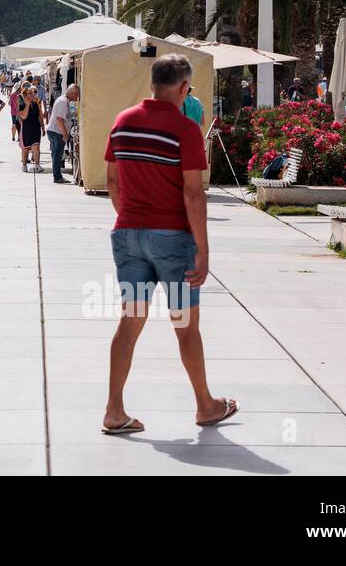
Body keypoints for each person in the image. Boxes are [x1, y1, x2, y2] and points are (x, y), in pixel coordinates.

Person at [102, 54, 237, 435]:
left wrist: (132, 215)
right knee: (185, 326)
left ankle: (114, 410)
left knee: (129, 322)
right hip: (172, 239)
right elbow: (194, 194)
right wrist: (203, 250)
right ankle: (206, 406)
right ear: (182, 88)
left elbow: (112, 181)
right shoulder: (185, 129)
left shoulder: (123, 121)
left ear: (152, 84)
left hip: (127, 234)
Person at [48, 84, 78, 184]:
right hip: (57, 132)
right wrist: (65, 134)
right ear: (72, 93)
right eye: (76, 95)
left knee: (56, 155)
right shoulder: (63, 102)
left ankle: (57, 176)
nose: (77, 98)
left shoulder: (64, 100)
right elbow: (59, 119)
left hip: (55, 131)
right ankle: (57, 177)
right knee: (57, 155)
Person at [17, 85, 44, 172]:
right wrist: (27, 105)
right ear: (25, 96)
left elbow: (39, 116)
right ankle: (24, 165)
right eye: (30, 93)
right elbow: (23, 117)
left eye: (32, 93)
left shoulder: (36, 104)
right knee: (25, 150)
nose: (32, 95)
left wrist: (43, 127)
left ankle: (37, 165)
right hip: (26, 130)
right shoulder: (22, 105)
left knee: (36, 147)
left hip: (36, 128)